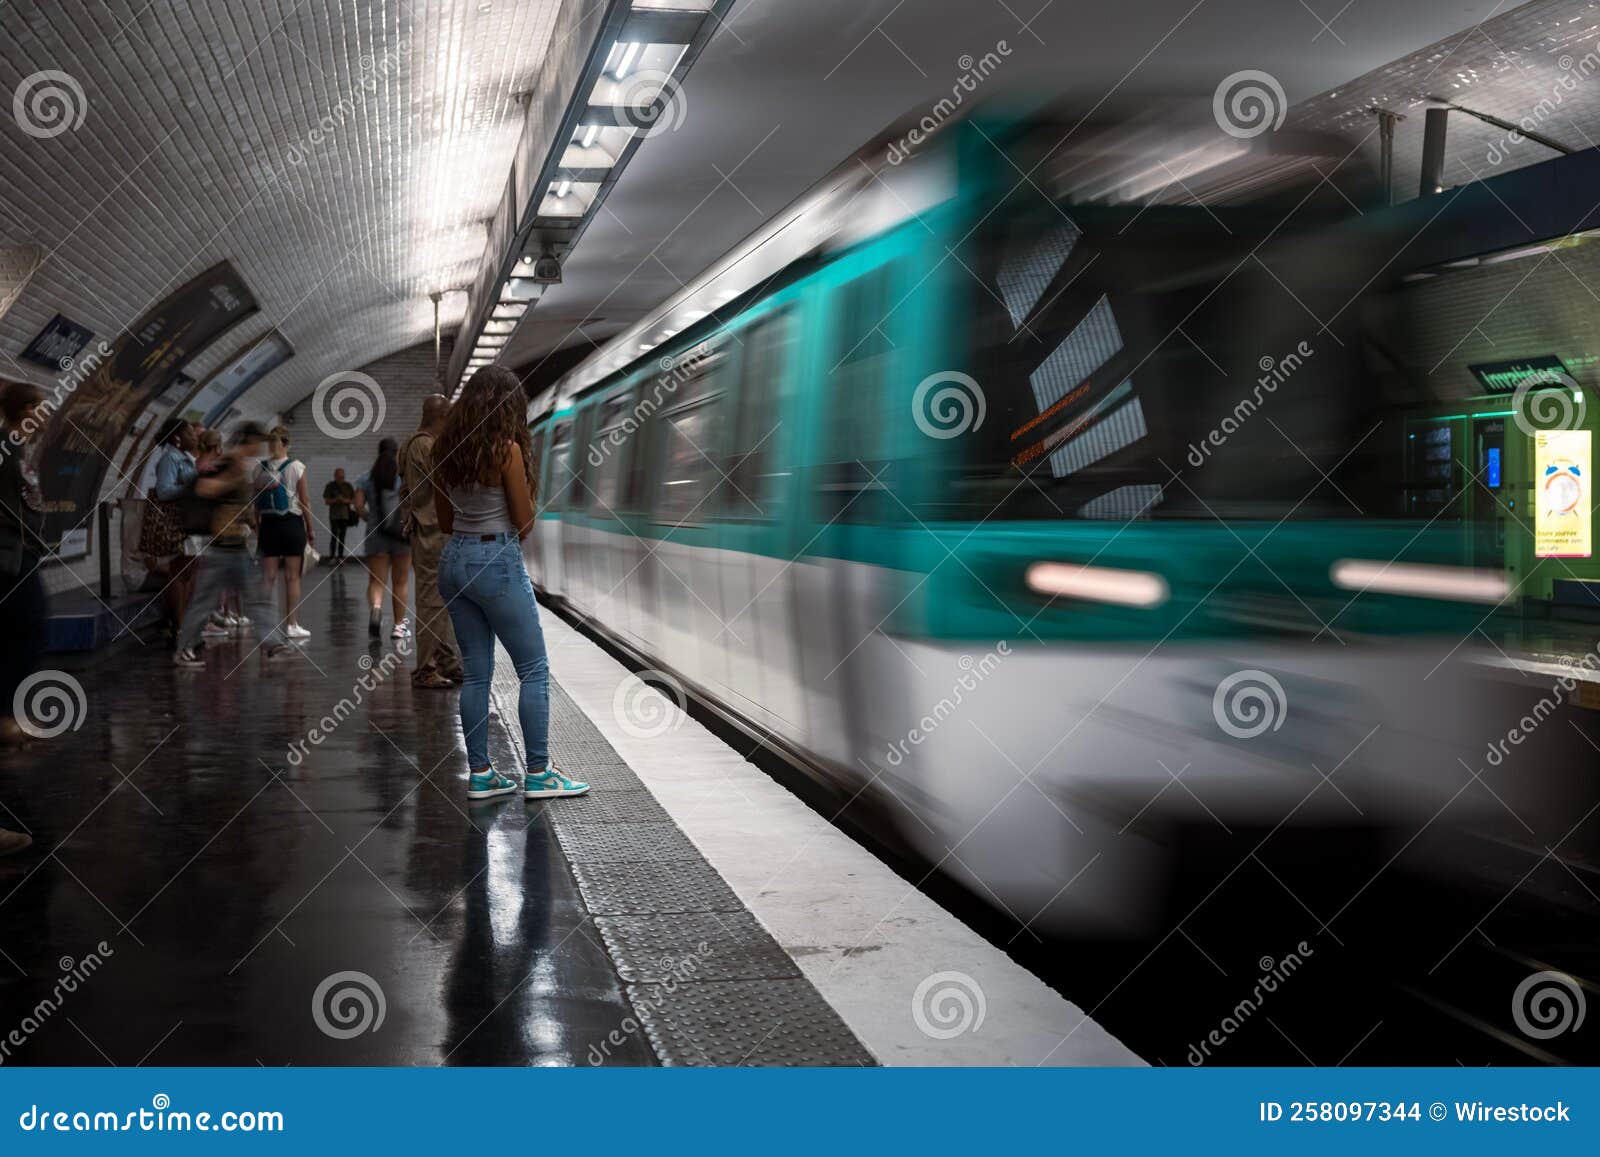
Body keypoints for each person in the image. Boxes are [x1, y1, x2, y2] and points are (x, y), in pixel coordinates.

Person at [432, 366, 588, 802]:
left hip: (454, 560)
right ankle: (539, 773)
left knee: (477, 674)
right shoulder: (507, 450)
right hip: (495, 559)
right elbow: (524, 522)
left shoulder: (444, 450)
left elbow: (445, 520)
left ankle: (481, 774)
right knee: (534, 669)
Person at [173, 422, 296, 668]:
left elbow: (239, 505)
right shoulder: (228, 463)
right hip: (220, 548)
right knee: (204, 602)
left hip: (237, 547)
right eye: (256, 443)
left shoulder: (240, 466)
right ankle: (185, 647)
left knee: (258, 597)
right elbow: (204, 488)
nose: (259, 448)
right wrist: (231, 482)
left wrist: (251, 520)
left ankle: (272, 643)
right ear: (246, 441)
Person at [0, 382, 47, 853]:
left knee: (29, 633)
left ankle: (7, 712)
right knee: (28, 629)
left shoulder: (21, 450)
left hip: (21, 556)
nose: (39, 414)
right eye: (30, 407)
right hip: (6, 561)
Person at [401, 394, 463, 689]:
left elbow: (405, 489)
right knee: (431, 603)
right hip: (432, 534)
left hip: (428, 532)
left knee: (440, 602)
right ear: (441, 417)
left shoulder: (409, 443)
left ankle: (449, 662)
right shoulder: (425, 445)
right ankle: (424, 670)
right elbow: (446, 484)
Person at [255, 426, 314, 640]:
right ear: (287, 443)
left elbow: (255, 504)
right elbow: (305, 501)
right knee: (292, 577)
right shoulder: (297, 467)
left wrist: (258, 527)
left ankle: (265, 626)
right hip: (291, 525)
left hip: (268, 525)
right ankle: (291, 624)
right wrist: (310, 529)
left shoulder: (259, 468)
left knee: (268, 577)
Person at [144, 417, 198, 639]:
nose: (195, 437)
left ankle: (185, 623)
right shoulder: (169, 459)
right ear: (177, 437)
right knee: (177, 573)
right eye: (190, 433)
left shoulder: (185, 458)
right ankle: (179, 626)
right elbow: (164, 491)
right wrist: (191, 487)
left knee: (187, 573)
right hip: (175, 523)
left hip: (189, 521)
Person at [353, 438, 411, 640]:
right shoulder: (403, 479)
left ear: (378, 452)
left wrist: (369, 518)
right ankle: (398, 627)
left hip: (375, 535)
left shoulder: (365, 478)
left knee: (377, 582)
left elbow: (359, 506)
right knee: (401, 582)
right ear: (396, 453)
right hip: (401, 535)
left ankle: (377, 608)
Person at [323, 468, 355, 562]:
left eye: (343, 477)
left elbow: (353, 500)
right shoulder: (330, 486)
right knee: (334, 536)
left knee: (342, 536)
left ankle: (340, 557)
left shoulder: (348, 486)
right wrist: (336, 500)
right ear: (335, 476)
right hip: (334, 515)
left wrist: (345, 501)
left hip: (345, 515)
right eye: (339, 477)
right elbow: (326, 501)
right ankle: (332, 557)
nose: (341, 479)